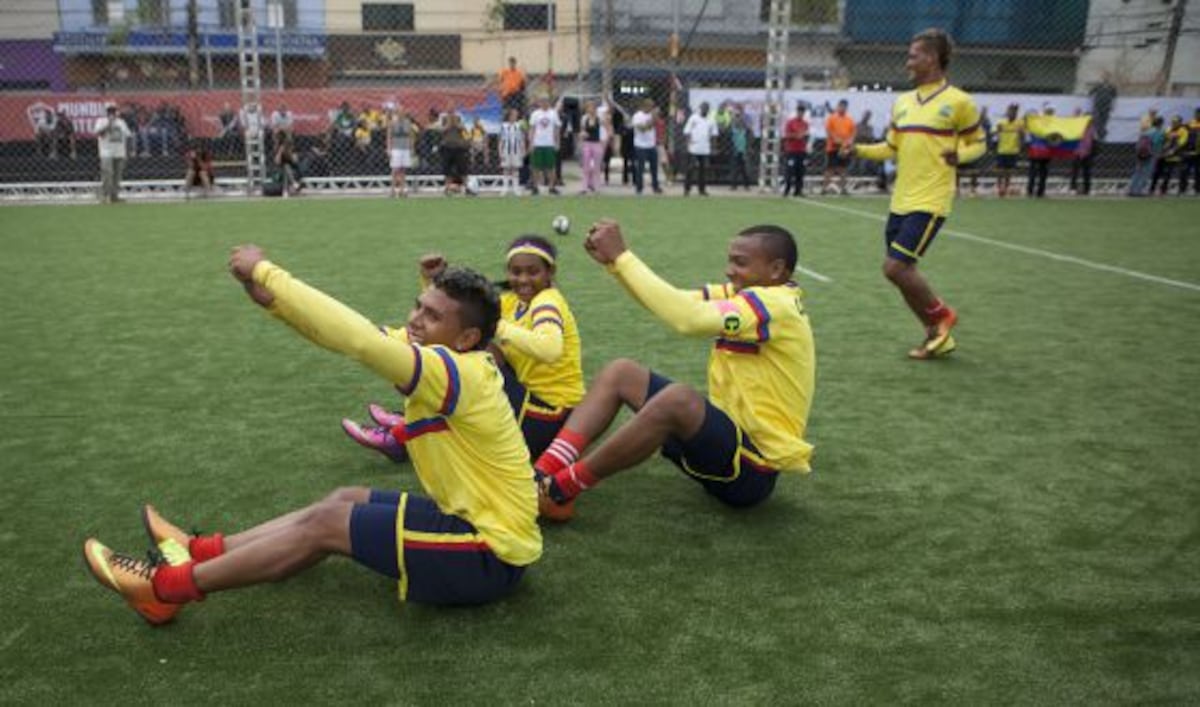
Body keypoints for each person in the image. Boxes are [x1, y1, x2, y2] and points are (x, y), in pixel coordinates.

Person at [82, 247, 542, 622]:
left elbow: (360, 341)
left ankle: (164, 590)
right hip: (471, 521)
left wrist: (268, 271)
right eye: (418, 306)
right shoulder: (451, 358)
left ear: (467, 338)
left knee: (327, 527)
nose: (416, 319)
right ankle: (197, 550)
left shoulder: (453, 370)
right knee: (344, 499)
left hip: (490, 554)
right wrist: (277, 305)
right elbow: (346, 334)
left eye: (432, 315)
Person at [533, 220, 815, 522]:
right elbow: (677, 301)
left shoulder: (774, 306)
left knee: (679, 399)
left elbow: (688, 319)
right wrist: (616, 264)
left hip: (752, 473)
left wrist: (624, 257)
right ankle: (540, 473)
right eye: (730, 260)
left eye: (740, 262)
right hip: (724, 449)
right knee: (621, 373)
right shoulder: (746, 294)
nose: (729, 270)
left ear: (776, 269)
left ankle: (558, 491)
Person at [345, 236, 585, 462]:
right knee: (467, 345)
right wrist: (433, 282)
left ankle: (403, 437)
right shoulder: (514, 301)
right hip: (529, 404)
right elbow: (456, 317)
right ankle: (408, 424)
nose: (523, 279)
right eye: (516, 271)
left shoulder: (547, 302)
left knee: (467, 359)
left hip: (549, 419)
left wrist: (497, 326)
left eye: (532, 272)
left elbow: (550, 349)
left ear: (550, 272)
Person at [845, 28, 985, 360]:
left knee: (895, 268)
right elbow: (891, 148)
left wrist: (960, 157)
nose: (907, 61)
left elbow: (978, 145)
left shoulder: (959, 102)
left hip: (931, 200)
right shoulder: (903, 103)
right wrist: (859, 151)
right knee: (901, 275)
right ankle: (936, 336)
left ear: (932, 58)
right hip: (900, 200)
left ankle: (942, 316)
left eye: (913, 55)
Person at [94, 104, 132, 205]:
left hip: (119, 152)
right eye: (109, 111)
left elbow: (128, 136)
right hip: (106, 152)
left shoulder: (121, 122)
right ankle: (105, 195)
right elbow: (99, 134)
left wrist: (127, 152)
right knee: (107, 174)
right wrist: (108, 124)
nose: (112, 113)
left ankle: (114, 196)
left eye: (113, 111)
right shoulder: (101, 121)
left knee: (117, 176)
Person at [682, 102, 718, 197]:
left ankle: (702, 190)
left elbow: (714, 135)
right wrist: (687, 144)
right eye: (703, 108)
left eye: (706, 108)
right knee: (690, 169)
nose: (704, 110)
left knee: (703, 170)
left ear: (708, 110)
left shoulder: (711, 120)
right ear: (700, 108)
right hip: (693, 148)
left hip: (705, 148)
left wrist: (714, 148)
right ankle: (687, 189)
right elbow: (687, 132)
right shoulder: (693, 118)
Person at [528, 97, 561, 195]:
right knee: (535, 166)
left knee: (551, 167)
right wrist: (531, 143)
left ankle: (551, 187)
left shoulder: (553, 113)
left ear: (549, 102)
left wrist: (557, 142)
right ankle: (535, 187)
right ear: (539, 102)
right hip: (537, 143)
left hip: (549, 144)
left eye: (546, 101)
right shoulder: (535, 114)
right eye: (542, 101)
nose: (544, 103)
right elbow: (532, 129)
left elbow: (556, 129)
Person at [822, 99, 855, 194]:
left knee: (843, 168)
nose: (842, 108)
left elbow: (852, 132)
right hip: (832, 147)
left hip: (844, 148)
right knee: (830, 168)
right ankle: (824, 188)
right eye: (841, 106)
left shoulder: (849, 119)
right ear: (838, 106)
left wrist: (849, 142)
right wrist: (836, 139)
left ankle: (843, 188)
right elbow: (828, 131)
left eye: (844, 107)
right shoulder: (832, 118)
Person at [631, 99, 662, 195]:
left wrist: (655, 117)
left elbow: (657, 124)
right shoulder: (637, 116)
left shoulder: (652, 115)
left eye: (653, 107)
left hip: (651, 145)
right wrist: (652, 119)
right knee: (640, 168)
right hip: (640, 145)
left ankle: (655, 186)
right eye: (650, 106)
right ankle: (639, 187)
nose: (651, 109)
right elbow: (643, 129)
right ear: (644, 106)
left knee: (654, 168)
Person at [992, 103, 1023, 198]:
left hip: (1013, 150)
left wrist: (1021, 135)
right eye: (1010, 111)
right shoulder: (1001, 122)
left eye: (1014, 111)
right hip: (1002, 149)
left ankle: (1006, 187)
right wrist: (997, 130)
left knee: (1009, 171)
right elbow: (993, 132)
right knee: (1000, 170)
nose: (1012, 113)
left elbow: (1023, 136)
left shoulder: (1020, 123)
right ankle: (999, 187)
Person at [1130, 116, 1166, 197]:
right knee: (1145, 173)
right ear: (1160, 124)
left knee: (1138, 172)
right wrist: (1158, 153)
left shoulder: (1146, 131)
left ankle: (1132, 190)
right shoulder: (1158, 132)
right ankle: (1138, 191)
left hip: (1140, 154)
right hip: (1150, 154)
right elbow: (1156, 144)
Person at [385, 103, 415, 198]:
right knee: (395, 169)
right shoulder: (392, 123)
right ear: (396, 113)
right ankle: (392, 189)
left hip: (405, 148)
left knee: (403, 169)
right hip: (396, 148)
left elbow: (411, 136)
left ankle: (402, 189)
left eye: (402, 112)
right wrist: (389, 148)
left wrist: (412, 148)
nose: (401, 113)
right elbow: (389, 136)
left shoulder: (408, 122)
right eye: (399, 112)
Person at [782, 104, 810, 197]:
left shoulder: (805, 124)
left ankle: (798, 190)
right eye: (799, 112)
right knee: (790, 170)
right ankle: (787, 189)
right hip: (791, 150)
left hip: (801, 150)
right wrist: (796, 136)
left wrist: (805, 138)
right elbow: (786, 135)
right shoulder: (790, 122)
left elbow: (806, 136)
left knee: (800, 171)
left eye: (802, 112)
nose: (800, 114)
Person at [579, 101, 606, 194]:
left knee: (596, 167)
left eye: (592, 107)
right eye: (589, 108)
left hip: (597, 143)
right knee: (586, 166)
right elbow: (582, 130)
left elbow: (605, 129)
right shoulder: (584, 118)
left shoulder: (600, 118)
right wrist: (582, 135)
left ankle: (597, 186)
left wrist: (604, 142)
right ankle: (584, 187)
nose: (591, 109)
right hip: (587, 143)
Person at [498, 108, 527, 196]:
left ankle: (515, 188)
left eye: (516, 115)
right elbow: (501, 140)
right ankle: (505, 188)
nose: (515, 116)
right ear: (509, 116)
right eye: (513, 115)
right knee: (506, 168)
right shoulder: (504, 126)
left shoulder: (519, 126)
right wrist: (500, 151)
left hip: (516, 150)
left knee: (515, 168)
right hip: (506, 150)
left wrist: (523, 150)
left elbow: (522, 139)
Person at [440, 113, 470, 195]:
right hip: (447, 147)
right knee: (447, 170)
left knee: (463, 169)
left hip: (458, 148)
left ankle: (466, 187)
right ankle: (447, 188)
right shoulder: (444, 119)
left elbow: (463, 130)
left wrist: (456, 123)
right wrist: (449, 124)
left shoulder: (458, 119)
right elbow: (441, 130)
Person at [1069, 111, 1095, 196]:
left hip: (1087, 152)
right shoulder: (1079, 126)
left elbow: (1092, 140)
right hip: (1077, 151)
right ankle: (1073, 188)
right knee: (1075, 171)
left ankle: (1087, 189)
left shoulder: (1092, 128)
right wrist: (1075, 116)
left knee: (1087, 172)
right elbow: (1072, 124)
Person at [726, 106, 752, 191]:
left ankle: (747, 185)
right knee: (734, 168)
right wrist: (731, 119)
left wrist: (748, 147)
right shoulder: (732, 128)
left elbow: (750, 137)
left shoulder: (746, 129)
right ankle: (733, 185)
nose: (738, 118)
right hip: (735, 150)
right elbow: (727, 133)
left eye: (739, 116)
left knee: (745, 169)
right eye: (736, 116)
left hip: (744, 150)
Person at [1177, 107, 1200, 195]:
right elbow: (1181, 136)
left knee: (1198, 172)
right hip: (1188, 152)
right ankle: (1182, 189)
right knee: (1184, 171)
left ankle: (1197, 190)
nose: (1198, 115)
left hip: (1198, 153)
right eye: (1197, 113)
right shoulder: (1189, 124)